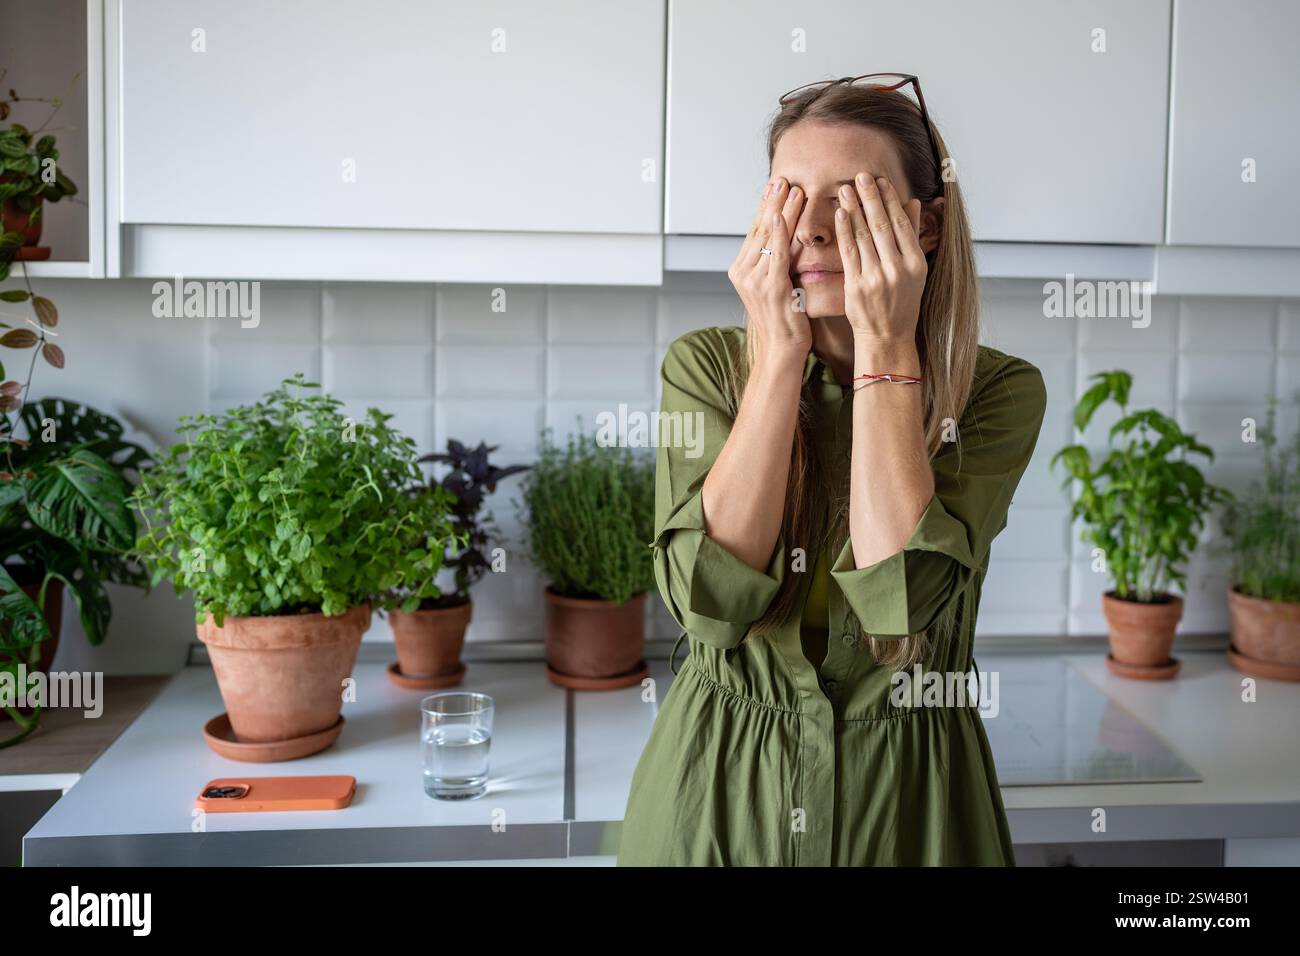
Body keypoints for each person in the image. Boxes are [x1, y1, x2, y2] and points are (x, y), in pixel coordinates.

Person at [617, 76, 1048, 866]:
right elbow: (709, 604)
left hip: (912, 809)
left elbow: (900, 604)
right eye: (790, 196)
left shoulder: (997, 393)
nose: (810, 230)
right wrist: (777, 363)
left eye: (851, 198)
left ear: (925, 226)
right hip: (715, 795)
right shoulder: (707, 368)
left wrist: (887, 350)